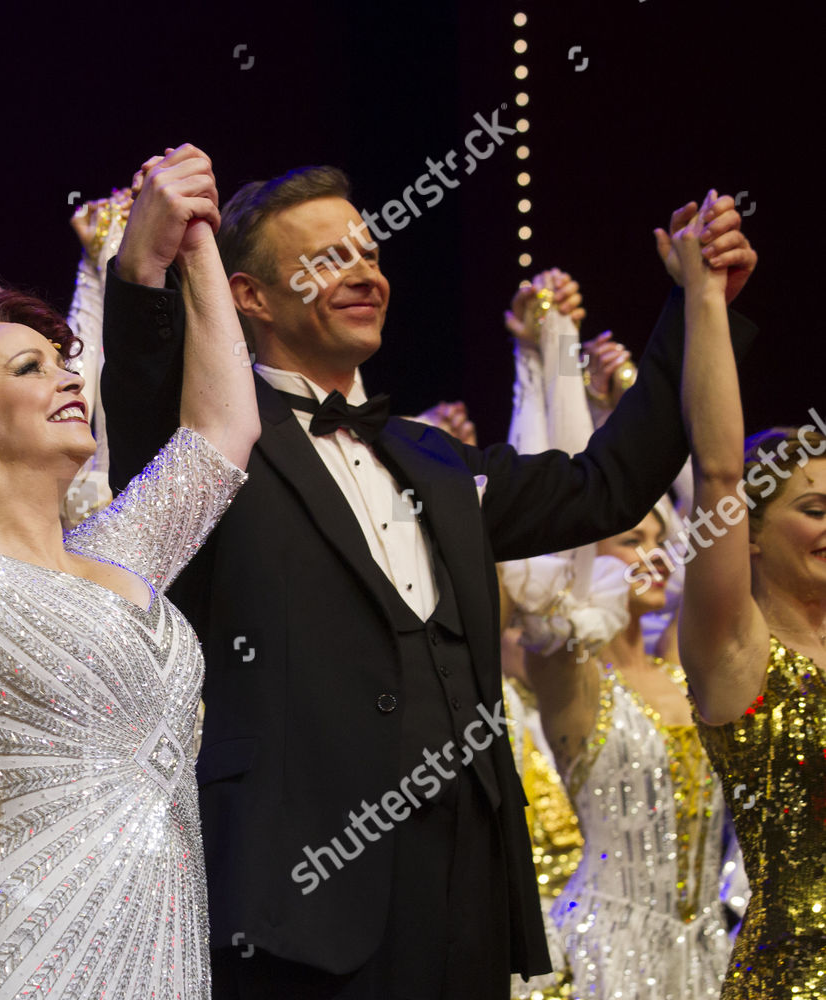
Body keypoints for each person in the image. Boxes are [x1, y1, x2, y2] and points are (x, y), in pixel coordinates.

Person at [100, 162, 758, 996]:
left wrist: (698, 306)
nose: (367, 271)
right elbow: (147, 411)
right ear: (251, 296)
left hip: (465, 900)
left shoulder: (435, 461)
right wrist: (142, 273)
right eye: (330, 257)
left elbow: (610, 484)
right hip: (297, 900)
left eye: (371, 253)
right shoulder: (215, 451)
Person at [0, 107, 257, 997]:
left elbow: (224, 430)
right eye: (28, 369)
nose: (68, 376)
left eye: (65, 362)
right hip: (31, 953)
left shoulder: (118, 558)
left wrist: (198, 242)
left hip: (168, 954)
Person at [502, 272, 734, 997]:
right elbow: (545, 569)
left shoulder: (684, 668)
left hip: (703, 960)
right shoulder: (569, 672)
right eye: (629, 539)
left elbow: (719, 511)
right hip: (607, 965)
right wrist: (551, 360)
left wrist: (638, 389)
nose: (652, 553)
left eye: (655, 538)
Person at [669, 189, 826, 997]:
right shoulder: (740, 652)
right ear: (753, 536)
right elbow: (721, 470)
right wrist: (705, 299)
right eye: (814, 509)